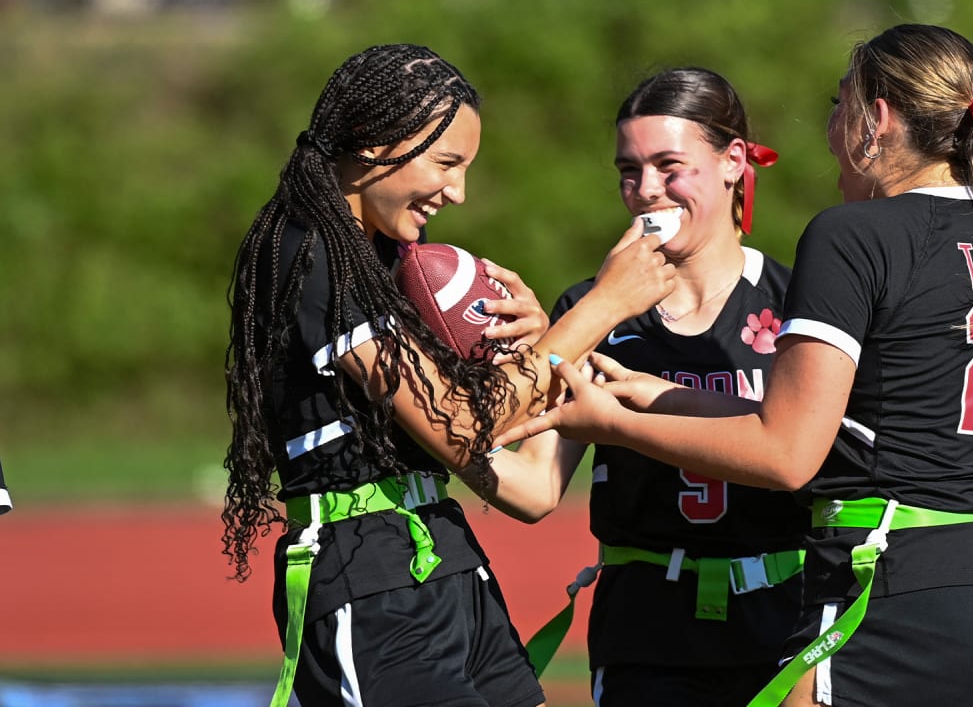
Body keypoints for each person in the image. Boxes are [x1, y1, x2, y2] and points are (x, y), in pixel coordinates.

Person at [498, 24, 973, 707]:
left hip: (907, 590)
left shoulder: (852, 236)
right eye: (630, 169)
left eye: (838, 106)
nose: (830, 129)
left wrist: (615, 423)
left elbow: (788, 452)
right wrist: (655, 394)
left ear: (876, 119)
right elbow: (850, 424)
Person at [221, 43, 674, 707]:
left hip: (448, 558)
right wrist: (603, 304)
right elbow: (467, 426)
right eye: (447, 164)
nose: (457, 192)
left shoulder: (383, 261)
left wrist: (527, 347)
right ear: (374, 144)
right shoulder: (310, 254)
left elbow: (509, 463)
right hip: (366, 580)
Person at [491, 66, 809, 707]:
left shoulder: (801, 301)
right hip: (647, 633)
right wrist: (438, 423)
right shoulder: (591, 309)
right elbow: (534, 489)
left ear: (733, 162)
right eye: (628, 171)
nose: (646, 190)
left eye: (670, 166)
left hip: (787, 624)